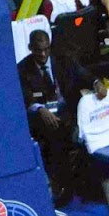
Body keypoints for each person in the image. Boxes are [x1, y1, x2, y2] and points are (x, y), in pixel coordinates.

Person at [16, 29, 85, 205]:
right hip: (41, 118)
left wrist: (96, 83)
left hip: (67, 111)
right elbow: (25, 97)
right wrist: (40, 109)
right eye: (38, 50)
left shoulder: (62, 60)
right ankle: (61, 186)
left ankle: (85, 181)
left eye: (46, 49)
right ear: (30, 48)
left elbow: (82, 74)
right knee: (55, 133)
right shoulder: (22, 69)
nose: (43, 54)